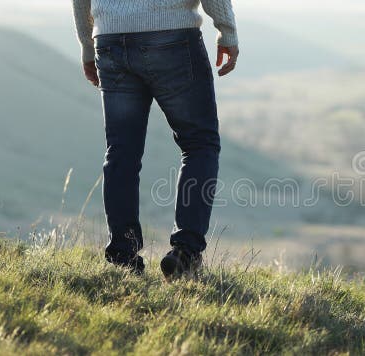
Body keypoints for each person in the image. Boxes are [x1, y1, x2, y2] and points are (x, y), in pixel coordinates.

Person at [71, 0, 239, 278]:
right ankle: (185, 252)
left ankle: (123, 255)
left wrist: (89, 47)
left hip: (110, 37)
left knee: (121, 152)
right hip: (171, 35)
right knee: (199, 144)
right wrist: (227, 31)